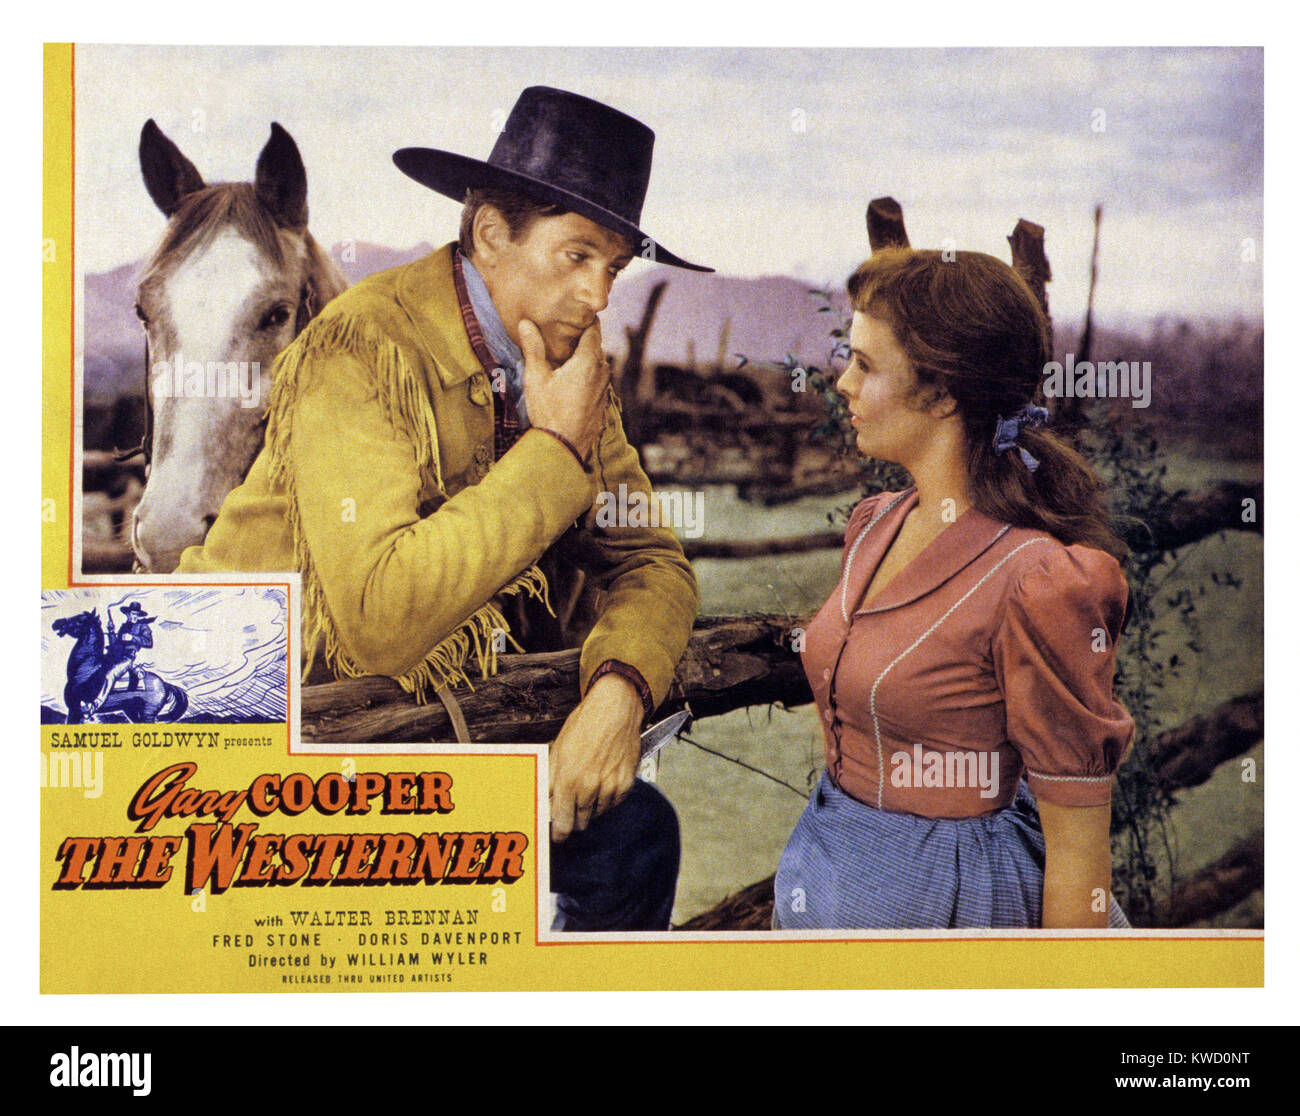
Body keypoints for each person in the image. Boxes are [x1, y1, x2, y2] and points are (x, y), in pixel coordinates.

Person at [178, 86, 711, 931]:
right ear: (492, 232)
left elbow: (647, 560)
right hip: (256, 725)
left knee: (636, 839)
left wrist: (619, 692)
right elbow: (382, 622)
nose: (600, 295)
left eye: (614, 266)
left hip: (424, 726)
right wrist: (555, 453)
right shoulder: (361, 347)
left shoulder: (569, 365)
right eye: (577, 256)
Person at [773, 246, 1136, 930]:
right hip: (827, 878)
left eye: (866, 365)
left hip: (950, 907)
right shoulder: (874, 525)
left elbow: (1079, 856)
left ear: (942, 393)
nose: (842, 384)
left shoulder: (1040, 580)